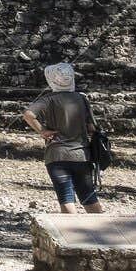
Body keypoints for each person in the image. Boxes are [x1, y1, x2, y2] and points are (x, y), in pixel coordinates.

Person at [22, 62, 106, 215]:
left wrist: (42, 131)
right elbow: (92, 128)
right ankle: (102, 233)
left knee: (66, 198)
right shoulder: (81, 99)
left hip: (57, 154)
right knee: (89, 197)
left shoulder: (48, 99)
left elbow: (28, 115)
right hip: (82, 155)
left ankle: (72, 236)